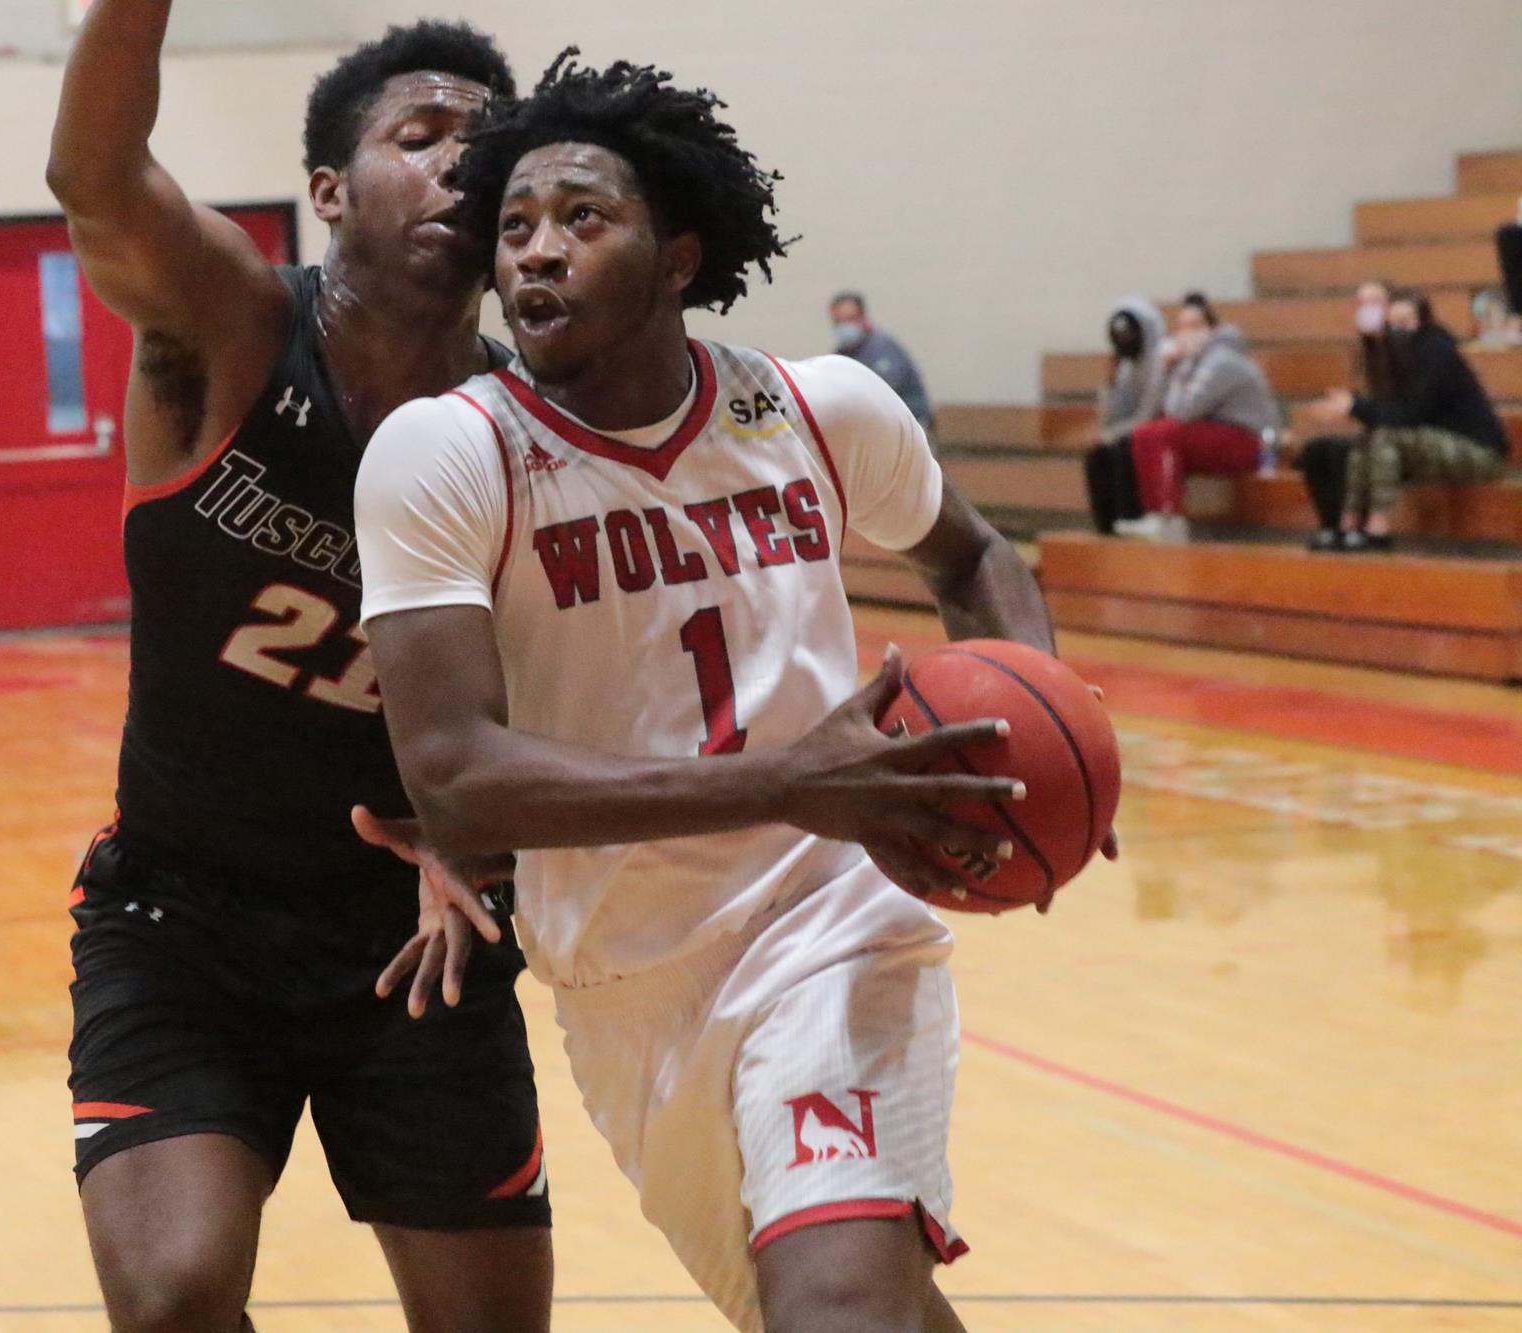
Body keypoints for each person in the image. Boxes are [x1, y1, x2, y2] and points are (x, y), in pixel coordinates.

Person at [354, 52, 1097, 1333]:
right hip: (622, 988)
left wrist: (1038, 719)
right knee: (858, 1310)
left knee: (835, 1305)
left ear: (679, 256)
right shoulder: (446, 454)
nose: (536, 252)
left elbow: (971, 554)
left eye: (582, 218)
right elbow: (455, 777)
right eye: (514, 227)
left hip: (833, 924)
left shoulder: (817, 410)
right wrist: (788, 778)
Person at [46, 9, 553, 1331]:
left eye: (484, 143)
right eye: (420, 135)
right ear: (329, 190)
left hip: (418, 933)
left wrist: (493, 835)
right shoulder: (230, 325)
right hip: (183, 922)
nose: (458, 162)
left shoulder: (531, 435)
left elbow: (571, 695)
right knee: (174, 1294)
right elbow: (96, 179)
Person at [1318, 287, 1509, 552]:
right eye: (1394, 323)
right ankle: (1348, 524)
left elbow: (1412, 414)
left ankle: (1378, 527)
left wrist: (1355, 406)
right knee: (1366, 440)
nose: (1400, 330)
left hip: (1479, 450)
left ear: (1422, 321)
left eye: (1406, 322)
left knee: (1385, 437)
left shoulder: (1437, 352)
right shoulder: (1395, 356)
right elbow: (1392, 411)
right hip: (1434, 444)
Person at [1113, 297, 1283, 543]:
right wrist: (1167, 370)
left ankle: (1169, 517)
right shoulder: (1191, 361)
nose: (1186, 333)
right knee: (1144, 433)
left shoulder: (1223, 360)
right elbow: (1165, 409)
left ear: (1212, 328)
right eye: (1181, 327)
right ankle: (1154, 514)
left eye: (1194, 325)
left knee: (1163, 434)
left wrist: (1176, 372)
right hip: (1216, 433)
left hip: (1251, 441)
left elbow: (1184, 410)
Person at [1296, 281, 1388, 549]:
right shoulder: (1364, 353)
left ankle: (1358, 526)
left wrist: (1354, 407)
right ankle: (1331, 526)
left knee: (1345, 453)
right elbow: (1362, 402)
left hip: (1398, 434)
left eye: (1374, 302)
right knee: (1316, 450)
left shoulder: (1405, 352)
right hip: (1374, 427)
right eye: (1361, 304)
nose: (1367, 310)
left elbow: (1401, 407)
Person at [1083, 297, 1165, 533]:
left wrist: (1109, 436)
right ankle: (1106, 529)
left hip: (1155, 431)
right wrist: (1110, 384)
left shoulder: (1160, 362)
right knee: (1096, 455)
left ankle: (1129, 521)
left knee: (1122, 449)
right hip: (1129, 430)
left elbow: (1148, 416)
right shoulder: (1126, 367)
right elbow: (1111, 418)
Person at [829, 290, 934, 428]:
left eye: (850, 319)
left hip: (909, 422)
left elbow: (884, 388)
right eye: (838, 322)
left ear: (863, 318)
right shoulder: (842, 354)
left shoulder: (881, 347)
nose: (844, 327)